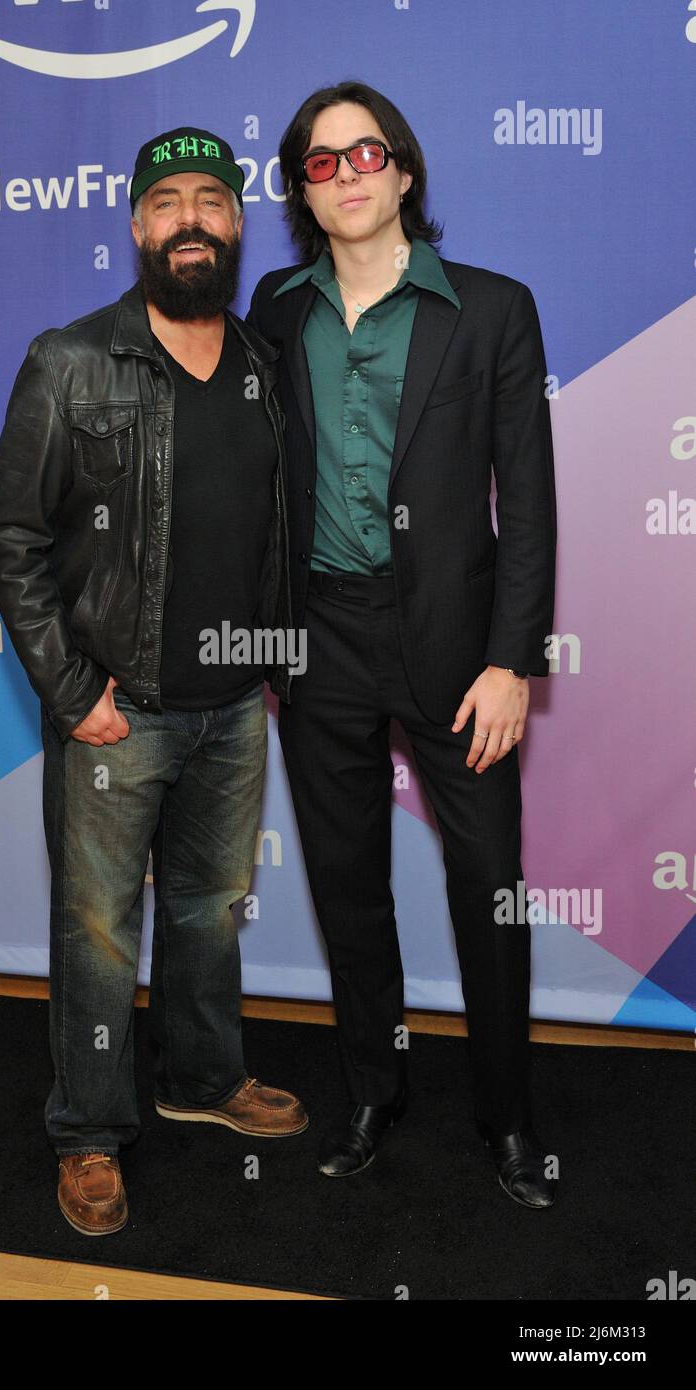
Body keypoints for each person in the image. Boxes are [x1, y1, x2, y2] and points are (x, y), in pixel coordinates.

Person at [0, 125, 307, 1237]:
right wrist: (73, 693)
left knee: (212, 914)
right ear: (134, 225)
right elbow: (14, 538)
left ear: (236, 223)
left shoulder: (266, 363)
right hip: (119, 713)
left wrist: (268, 664)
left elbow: (276, 537)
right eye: (166, 201)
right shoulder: (70, 361)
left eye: (211, 199)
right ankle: (88, 1130)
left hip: (231, 710)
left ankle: (202, 1080)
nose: (190, 220)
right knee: (101, 932)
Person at [247, 83, 558, 1207]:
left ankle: (509, 1119)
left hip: (458, 650)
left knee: (489, 885)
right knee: (347, 884)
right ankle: (374, 1091)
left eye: (364, 152)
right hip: (319, 640)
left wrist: (511, 659)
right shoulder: (276, 314)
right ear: (303, 192)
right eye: (320, 163)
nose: (347, 174)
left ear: (405, 170)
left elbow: (525, 501)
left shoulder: (491, 309)